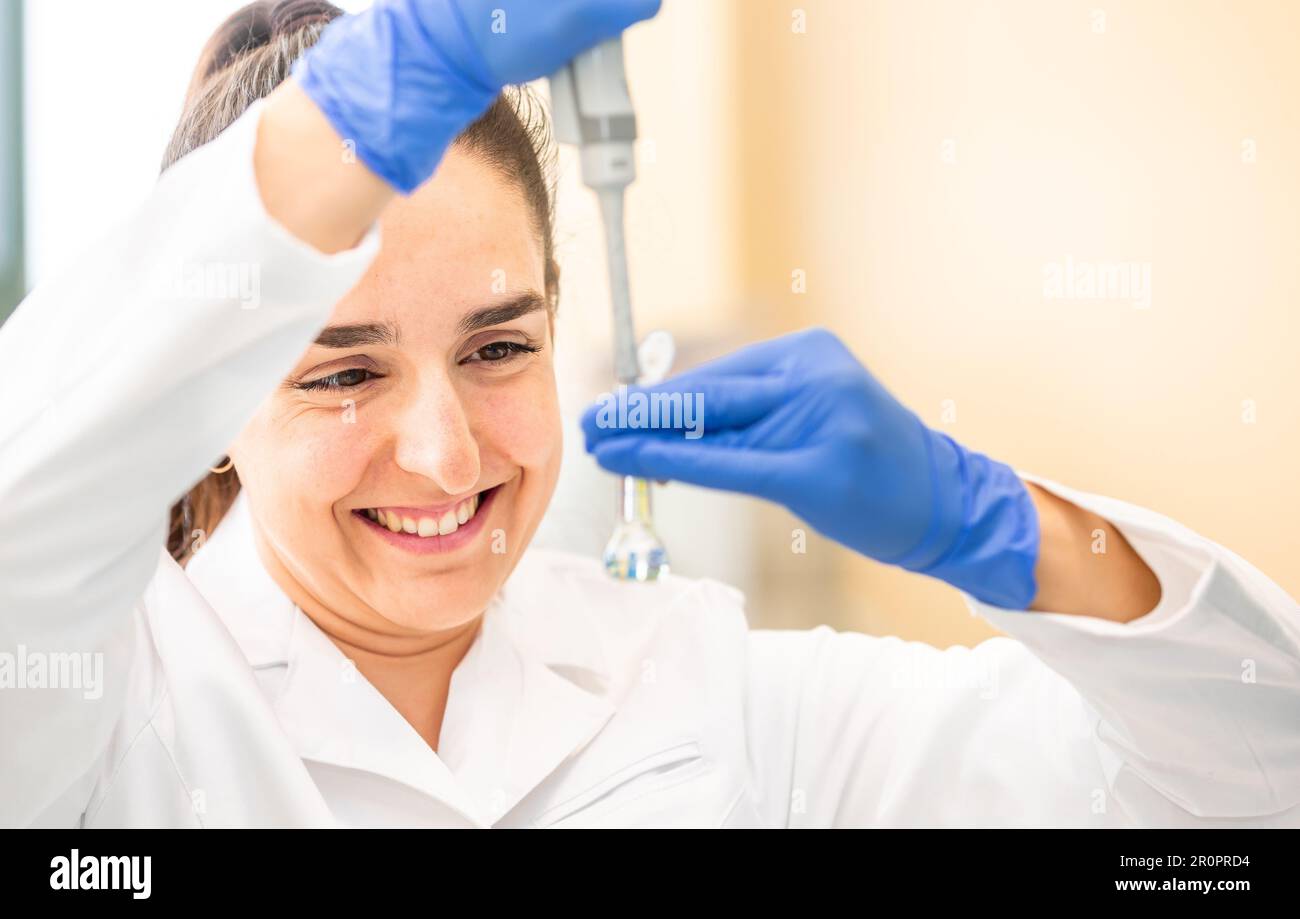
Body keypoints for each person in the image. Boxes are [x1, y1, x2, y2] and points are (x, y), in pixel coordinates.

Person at [0, 0, 1295, 828]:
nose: (446, 451)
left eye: (500, 345)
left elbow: (1241, 794)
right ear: (210, 395)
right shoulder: (102, 711)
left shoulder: (703, 688)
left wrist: (998, 529)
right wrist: (332, 130)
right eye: (343, 370)